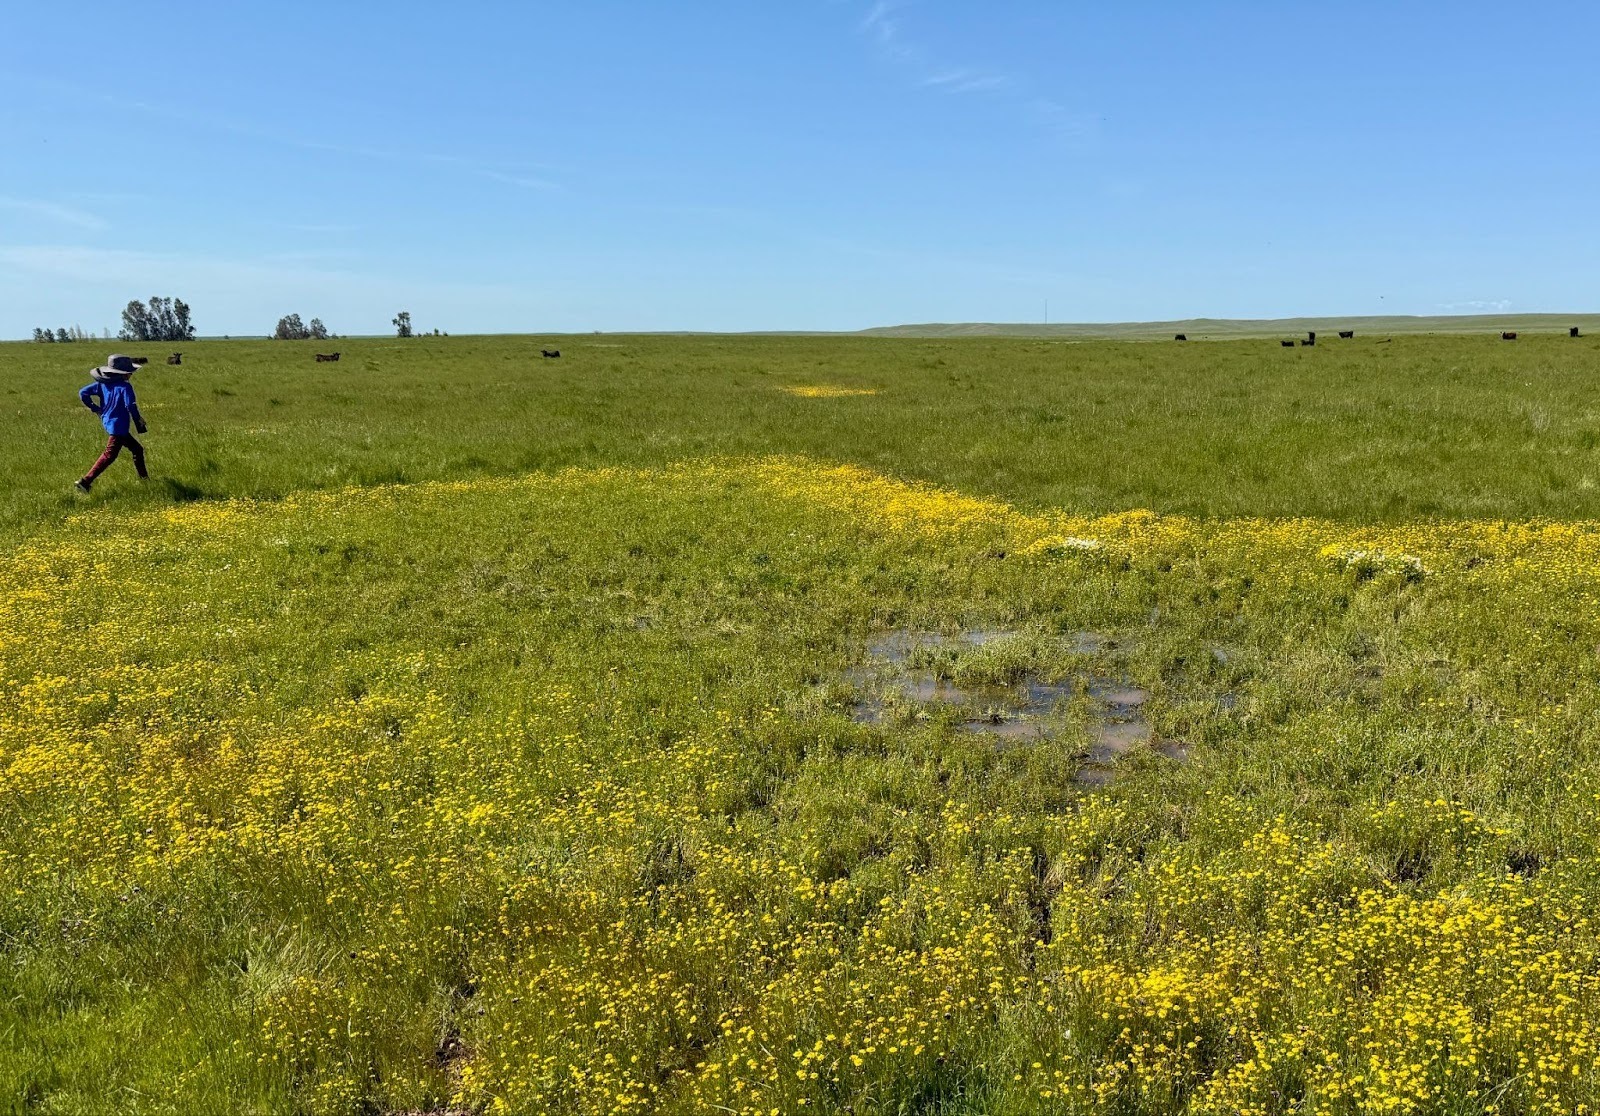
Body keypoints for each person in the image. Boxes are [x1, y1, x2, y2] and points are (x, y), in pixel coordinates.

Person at [75, 354, 150, 492]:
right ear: (126, 373)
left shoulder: (102, 384)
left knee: (137, 449)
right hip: (118, 427)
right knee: (109, 455)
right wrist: (138, 419)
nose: (131, 375)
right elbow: (130, 406)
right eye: (130, 372)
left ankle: (145, 480)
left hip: (109, 422)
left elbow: (82, 393)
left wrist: (96, 409)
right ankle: (84, 482)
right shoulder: (125, 387)